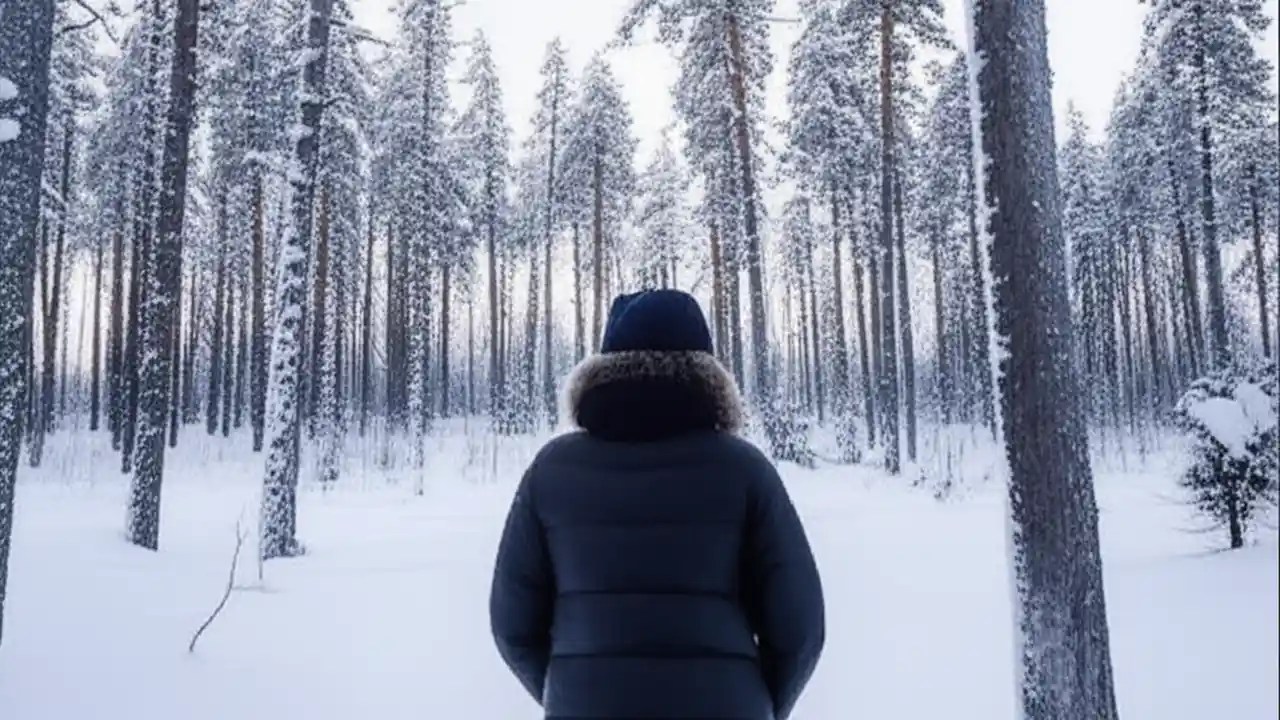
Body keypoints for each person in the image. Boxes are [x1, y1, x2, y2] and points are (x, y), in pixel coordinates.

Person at [490, 289, 825, 720]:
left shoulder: (552, 470)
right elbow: (801, 629)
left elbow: (513, 626)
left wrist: (572, 693)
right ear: (710, 375)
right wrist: (756, 703)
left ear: (599, 372)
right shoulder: (743, 469)